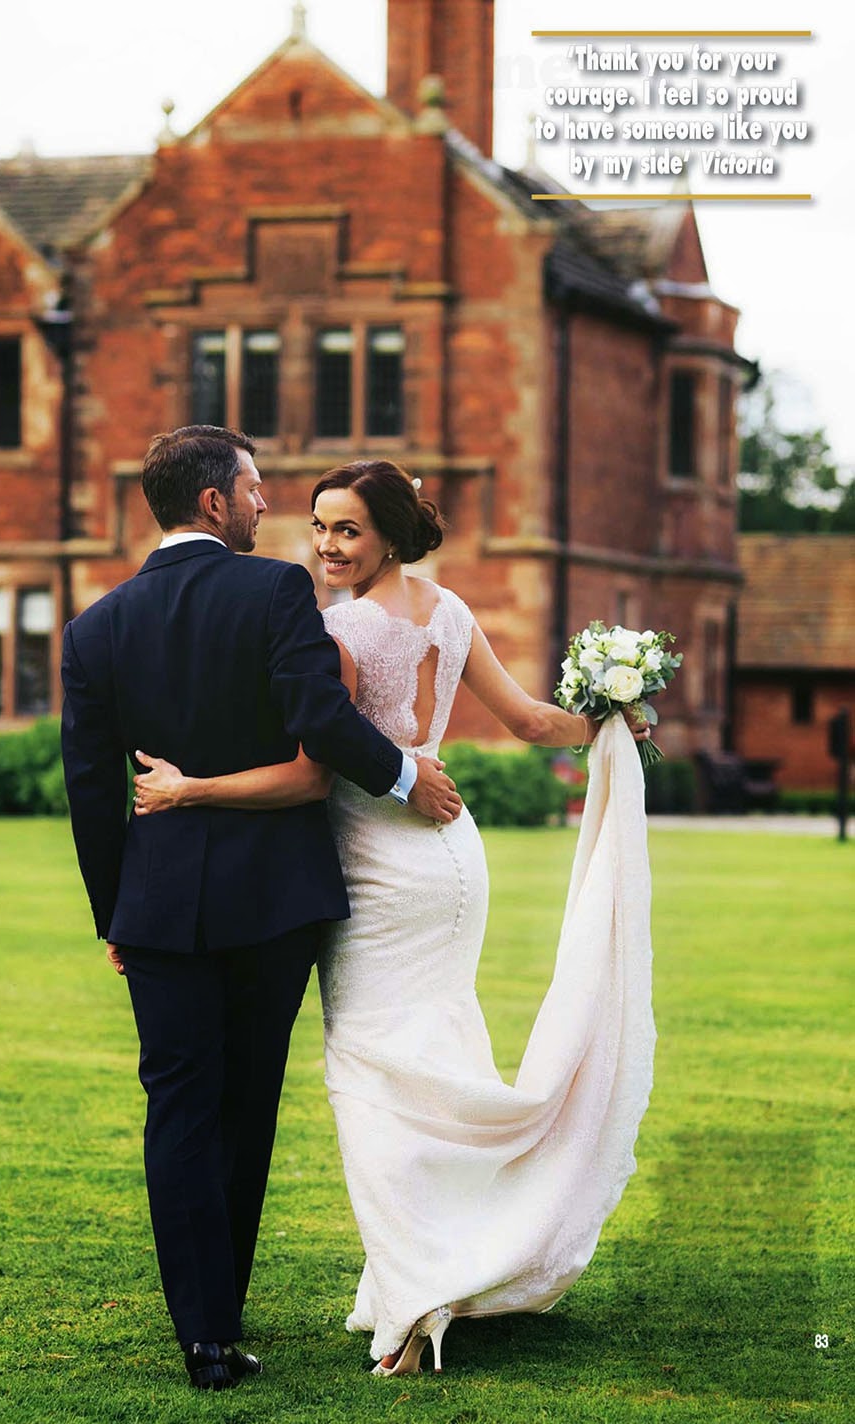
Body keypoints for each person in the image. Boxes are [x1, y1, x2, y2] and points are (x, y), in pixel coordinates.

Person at [132, 459, 657, 1376]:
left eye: (348, 530)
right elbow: (534, 722)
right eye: (319, 526)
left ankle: (417, 1301)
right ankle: (452, 1264)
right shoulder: (450, 611)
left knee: (370, 1082)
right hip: (453, 858)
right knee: (441, 1060)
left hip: (378, 868)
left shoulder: (335, 632)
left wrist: (191, 789)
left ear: (388, 535)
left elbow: (313, 771)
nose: (327, 546)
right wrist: (614, 720)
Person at [59, 429, 462, 1392]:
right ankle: (221, 1315)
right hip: (273, 902)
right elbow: (320, 720)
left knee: (178, 1109)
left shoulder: (94, 627)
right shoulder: (278, 590)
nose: (262, 503)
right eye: (251, 488)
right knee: (245, 1107)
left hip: (156, 910)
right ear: (213, 502)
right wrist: (407, 775)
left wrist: (115, 915)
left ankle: (204, 1336)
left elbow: (90, 790)